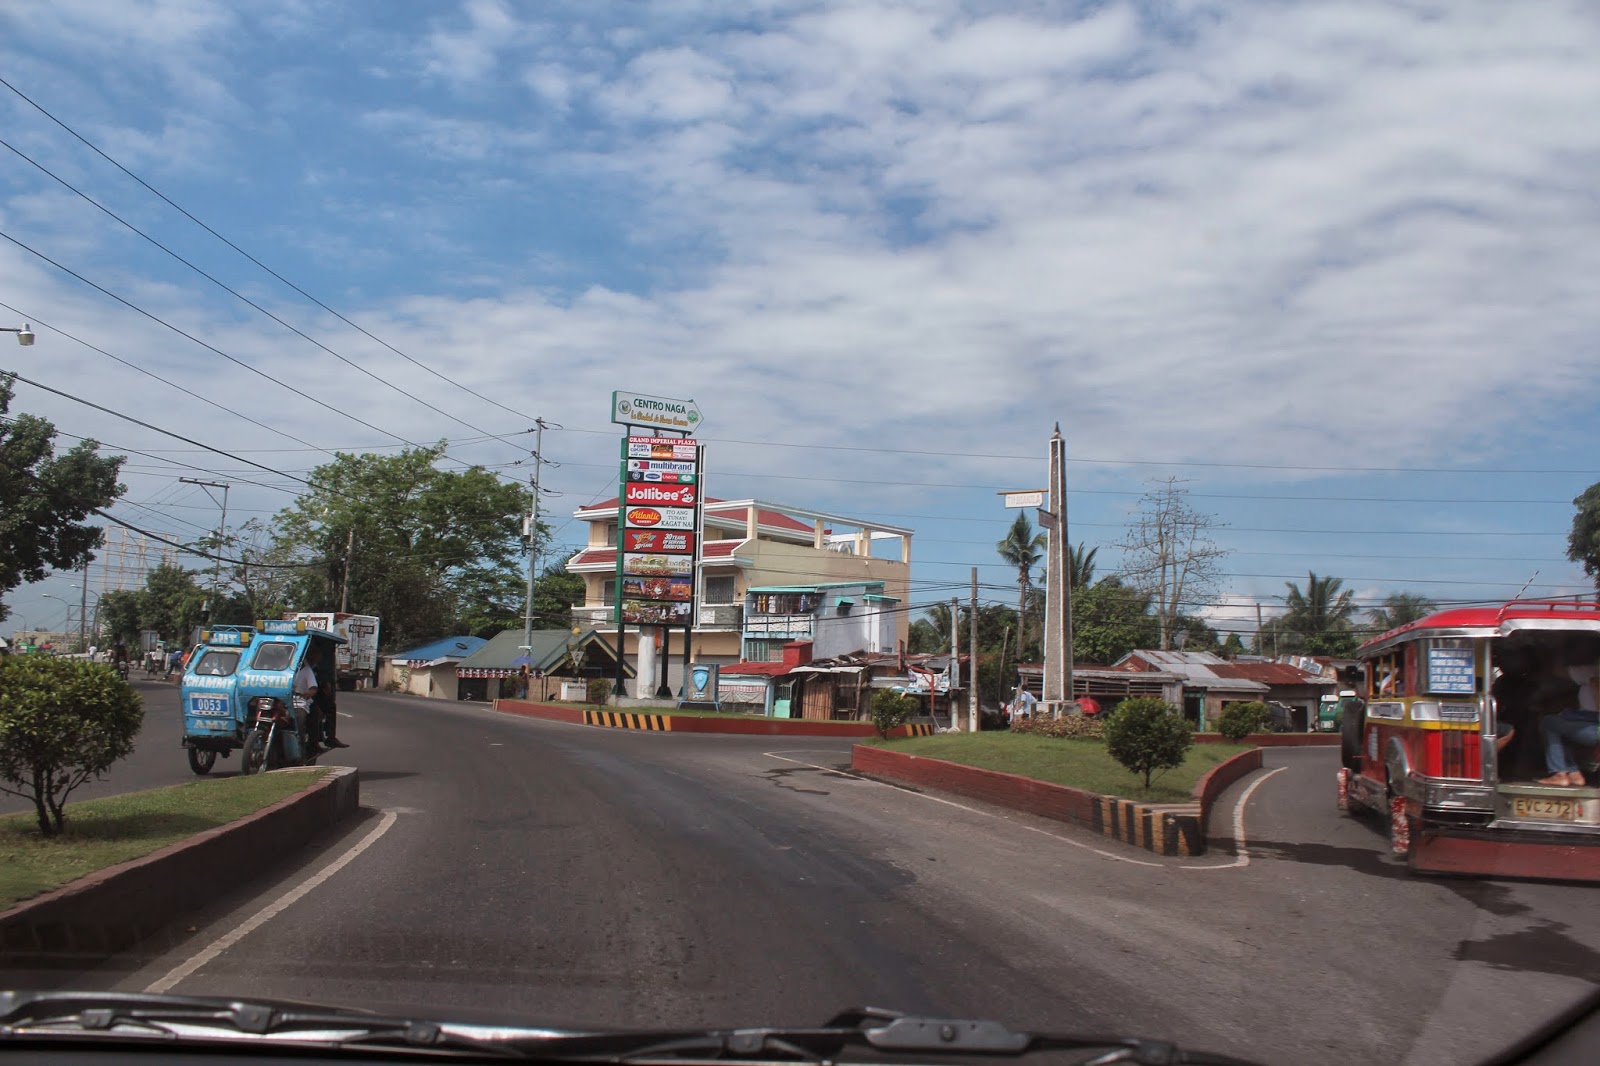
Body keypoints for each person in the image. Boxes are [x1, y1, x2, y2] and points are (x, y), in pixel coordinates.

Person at [1537, 651, 1600, 787]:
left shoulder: (1591, 671)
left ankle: (1560, 773)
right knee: (1562, 727)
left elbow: (1558, 671)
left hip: (1594, 729)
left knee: (1549, 722)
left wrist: (1558, 648)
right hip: (1592, 726)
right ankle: (1574, 773)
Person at [294, 645, 323, 756]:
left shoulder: (307, 670)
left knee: (301, 717)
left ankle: (302, 744)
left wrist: (306, 695)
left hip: (300, 700)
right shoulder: (284, 669)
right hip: (283, 698)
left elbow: (313, 688)